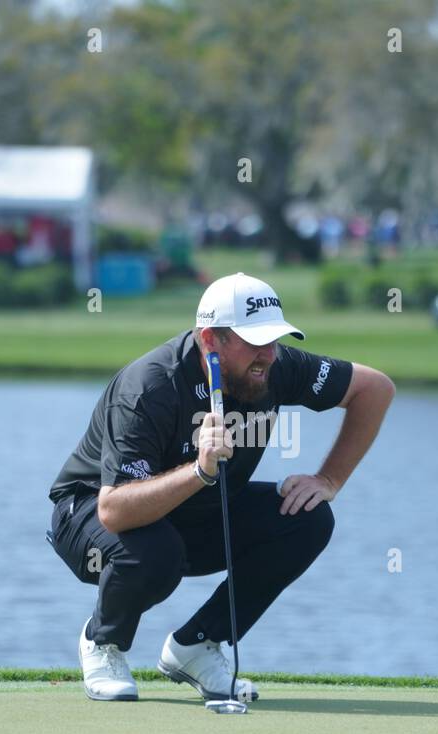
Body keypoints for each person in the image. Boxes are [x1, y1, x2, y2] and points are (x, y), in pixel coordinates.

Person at [46, 272, 395, 703]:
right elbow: (114, 510)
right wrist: (199, 470)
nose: (268, 355)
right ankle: (104, 640)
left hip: (191, 511)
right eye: (254, 342)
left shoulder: (275, 366)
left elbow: (374, 389)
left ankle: (197, 644)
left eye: (275, 340)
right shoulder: (151, 387)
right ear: (211, 340)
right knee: (155, 551)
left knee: (308, 518)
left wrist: (329, 480)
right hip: (88, 516)